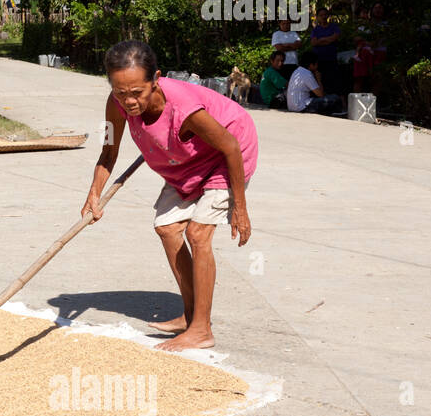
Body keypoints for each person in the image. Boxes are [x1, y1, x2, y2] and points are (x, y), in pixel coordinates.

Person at [83, 41, 257, 350]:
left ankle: (202, 330)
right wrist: (93, 194)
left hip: (228, 152)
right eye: (121, 93)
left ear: (156, 79)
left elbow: (229, 146)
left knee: (198, 233)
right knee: (166, 228)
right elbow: (109, 150)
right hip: (185, 160)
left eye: (137, 93)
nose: (129, 101)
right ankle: (190, 315)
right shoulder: (116, 105)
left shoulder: (184, 108)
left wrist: (240, 209)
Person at [287, 50, 342, 115]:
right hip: (302, 107)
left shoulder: (297, 71)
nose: (317, 66)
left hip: (292, 107)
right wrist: (319, 79)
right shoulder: (307, 73)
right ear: (311, 65)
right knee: (335, 98)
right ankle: (336, 113)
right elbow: (320, 94)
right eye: (316, 64)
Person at [309, 6, 344, 94]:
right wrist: (328, 40)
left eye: (325, 15)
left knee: (334, 81)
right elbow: (313, 43)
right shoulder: (316, 29)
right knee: (321, 81)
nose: (323, 17)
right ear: (317, 17)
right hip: (319, 60)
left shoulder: (334, 27)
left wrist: (320, 40)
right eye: (321, 15)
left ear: (328, 16)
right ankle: (323, 99)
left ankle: (337, 101)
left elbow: (335, 38)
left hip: (331, 58)